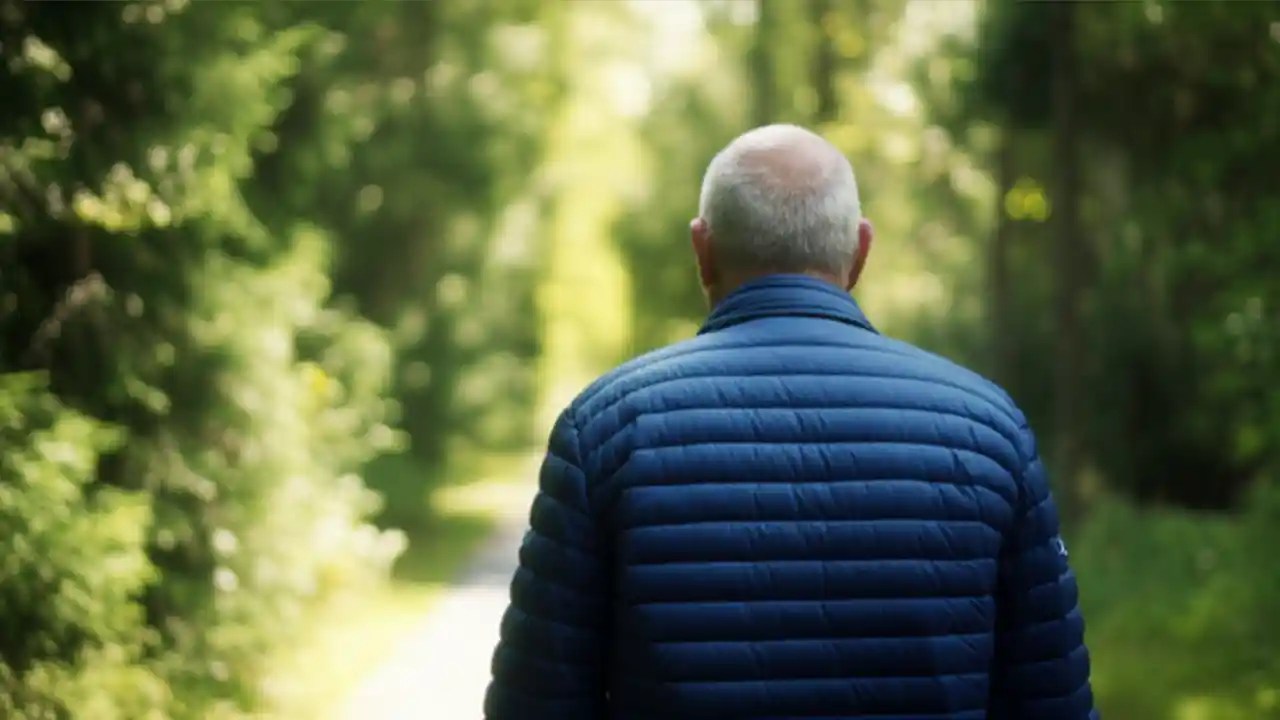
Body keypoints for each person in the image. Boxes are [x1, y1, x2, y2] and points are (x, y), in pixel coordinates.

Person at [483, 124, 1097, 719]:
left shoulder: (606, 431)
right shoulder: (989, 435)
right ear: (860, 251)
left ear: (702, 251)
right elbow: (1052, 701)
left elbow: (535, 704)